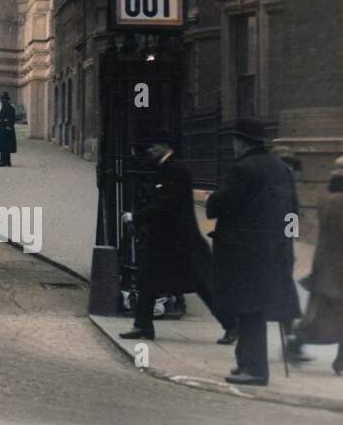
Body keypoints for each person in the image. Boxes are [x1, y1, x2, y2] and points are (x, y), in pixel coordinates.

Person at [206, 118, 301, 387]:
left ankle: (256, 369)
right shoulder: (281, 169)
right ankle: (244, 363)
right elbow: (293, 209)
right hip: (273, 250)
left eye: (235, 140)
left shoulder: (243, 169)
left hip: (244, 252)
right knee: (251, 308)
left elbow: (219, 205)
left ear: (241, 142)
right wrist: (287, 242)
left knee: (248, 309)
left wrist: (211, 199)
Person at [119, 138, 236, 343]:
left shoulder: (177, 170)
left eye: (155, 146)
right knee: (147, 280)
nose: (151, 149)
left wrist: (135, 217)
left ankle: (232, 326)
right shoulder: (163, 168)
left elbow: (166, 204)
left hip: (181, 242)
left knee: (203, 285)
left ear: (167, 148)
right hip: (164, 241)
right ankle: (143, 325)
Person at [293, 155, 343, 375]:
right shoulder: (337, 201)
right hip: (335, 268)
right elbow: (290, 216)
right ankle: (296, 343)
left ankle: (298, 342)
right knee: (321, 316)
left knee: (321, 315)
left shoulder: (327, 198)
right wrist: (289, 238)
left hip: (327, 266)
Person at [0, 91, 17, 167]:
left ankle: (3, 161)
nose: (2, 101)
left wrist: (8, 126)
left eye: (3, 99)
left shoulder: (9, 108)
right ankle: (6, 161)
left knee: (4, 146)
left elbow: (11, 119)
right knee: (4, 146)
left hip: (5, 129)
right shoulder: (5, 107)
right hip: (3, 128)